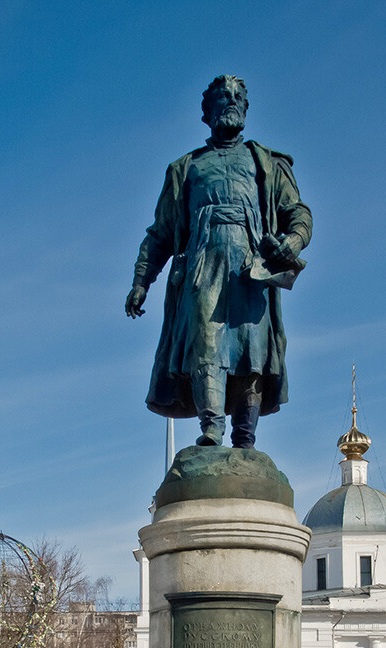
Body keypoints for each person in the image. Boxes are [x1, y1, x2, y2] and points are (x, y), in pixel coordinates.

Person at [126, 75, 312, 449]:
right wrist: (141, 280)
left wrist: (290, 244)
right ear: (206, 112)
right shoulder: (186, 168)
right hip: (202, 266)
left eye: (237, 97)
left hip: (252, 268)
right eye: (222, 97)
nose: (230, 101)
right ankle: (211, 431)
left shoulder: (267, 163)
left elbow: (298, 215)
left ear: (245, 108)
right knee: (206, 344)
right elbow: (161, 232)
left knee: (251, 351)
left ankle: (245, 440)